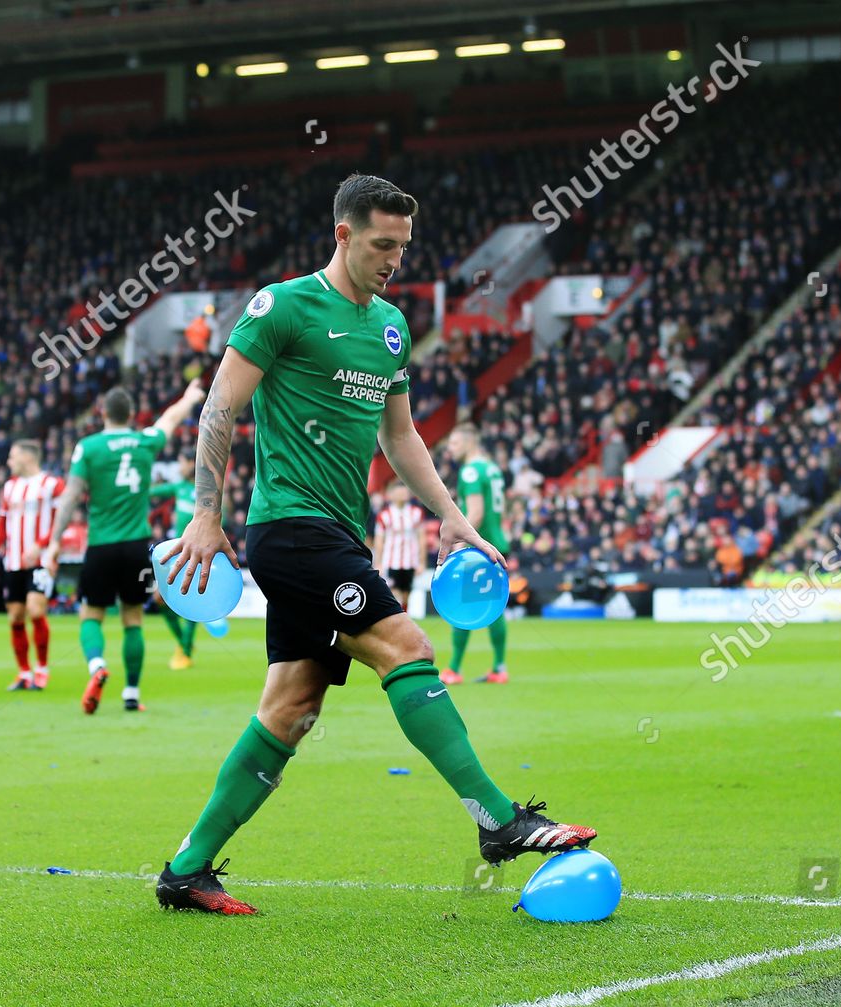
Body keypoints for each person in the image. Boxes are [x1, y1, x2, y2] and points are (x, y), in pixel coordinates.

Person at [154, 173, 596, 916]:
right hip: (290, 529)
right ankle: (497, 819)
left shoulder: (389, 327)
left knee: (292, 706)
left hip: (335, 530)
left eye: (404, 246)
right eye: (383, 244)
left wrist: (451, 515)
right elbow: (219, 410)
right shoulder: (283, 306)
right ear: (344, 235)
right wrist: (207, 513)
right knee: (407, 645)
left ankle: (186, 869)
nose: (394, 258)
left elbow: (401, 436)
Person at [43, 382, 204, 712]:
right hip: (136, 546)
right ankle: (131, 693)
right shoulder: (144, 440)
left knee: (91, 615)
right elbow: (170, 419)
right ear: (131, 415)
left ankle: (97, 666)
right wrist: (188, 397)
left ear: (102, 413)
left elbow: (72, 494)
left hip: (101, 545)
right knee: (133, 619)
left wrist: (55, 541)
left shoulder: (88, 447)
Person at [0, 441, 64, 691]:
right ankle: (24, 673)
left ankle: (42, 670)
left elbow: (61, 520)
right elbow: (0, 524)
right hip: (13, 561)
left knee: (36, 611)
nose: (8, 462)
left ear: (27, 457)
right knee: (15, 616)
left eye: (12, 457)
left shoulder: (52, 485)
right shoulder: (10, 488)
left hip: (41, 561)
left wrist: (42, 544)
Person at [439, 425, 510, 685]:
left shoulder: (470, 471)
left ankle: (454, 669)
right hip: (496, 541)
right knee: (495, 605)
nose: (450, 449)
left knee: (463, 602)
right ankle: (499, 667)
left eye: (455, 443)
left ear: (470, 443)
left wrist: (460, 542)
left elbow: (477, 512)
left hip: (478, 544)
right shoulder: (491, 468)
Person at [150, 454, 201, 669]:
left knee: (190, 601)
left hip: (196, 550)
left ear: (192, 463)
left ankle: (185, 649)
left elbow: (223, 518)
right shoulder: (179, 487)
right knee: (160, 598)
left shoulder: (205, 491)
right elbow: (152, 492)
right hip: (176, 552)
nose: (179, 467)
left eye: (182, 462)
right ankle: (184, 643)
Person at [372, 478, 426, 612]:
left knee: (407, 594)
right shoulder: (384, 515)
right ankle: (396, 618)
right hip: (391, 562)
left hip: (410, 561)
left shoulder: (416, 513)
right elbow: (379, 540)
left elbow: (421, 538)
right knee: (394, 593)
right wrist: (378, 562)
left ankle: (404, 617)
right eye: (399, 491)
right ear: (391, 495)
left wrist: (422, 562)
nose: (403, 494)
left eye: (404, 491)